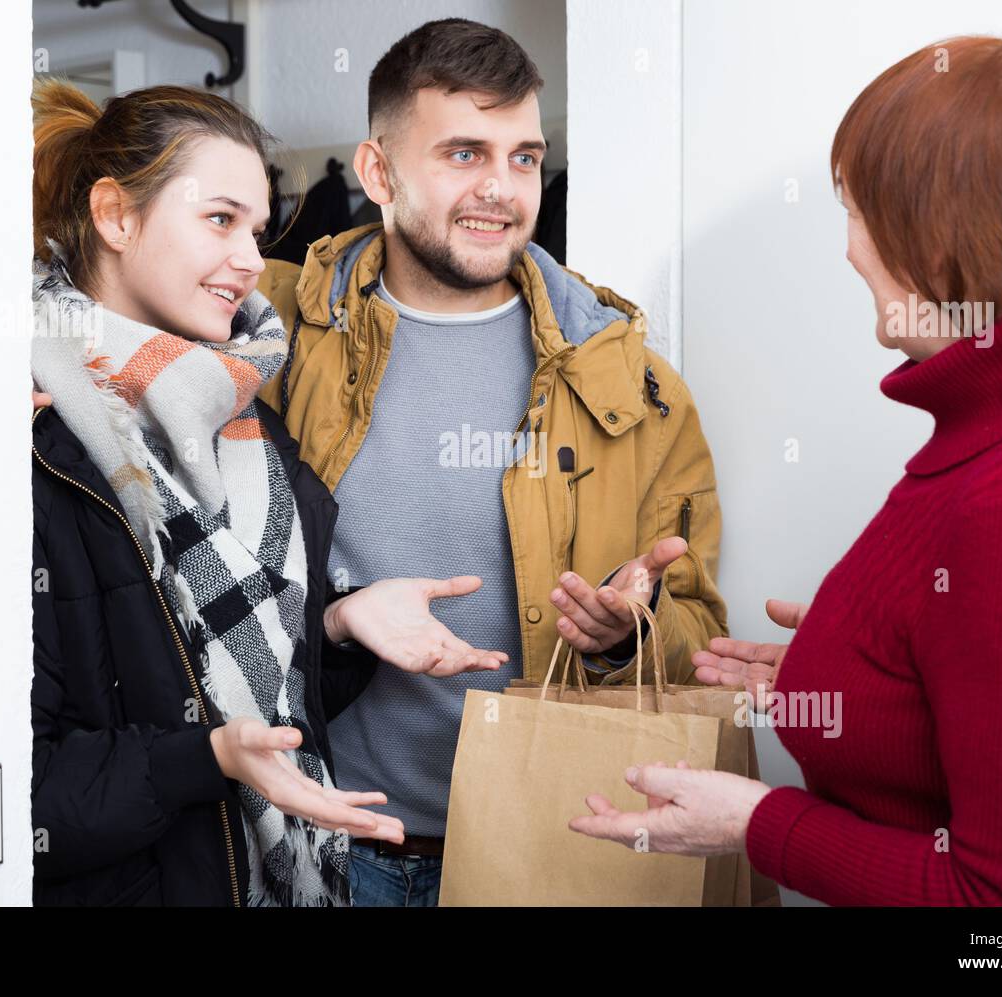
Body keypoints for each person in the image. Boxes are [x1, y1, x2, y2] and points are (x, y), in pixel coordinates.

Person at [570, 36, 1002, 906]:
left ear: (944, 250)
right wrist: (876, 668)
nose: (848, 251)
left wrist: (758, 823)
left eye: (862, 212)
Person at [255, 18, 730, 905]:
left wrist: (629, 637)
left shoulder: (630, 377)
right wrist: (341, 616)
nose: (502, 190)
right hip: (331, 836)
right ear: (376, 172)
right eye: (465, 153)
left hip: (545, 844)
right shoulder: (275, 339)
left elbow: (702, 629)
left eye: (523, 158)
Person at [30, 79, 507, 906]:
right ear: (115, 215)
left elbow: (264, 693)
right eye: (219, 219)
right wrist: (205, 759)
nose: (253, 259)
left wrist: (336, 624)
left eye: (256, 226)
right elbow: (11, 793)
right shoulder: (29, 437)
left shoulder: (248, 419)